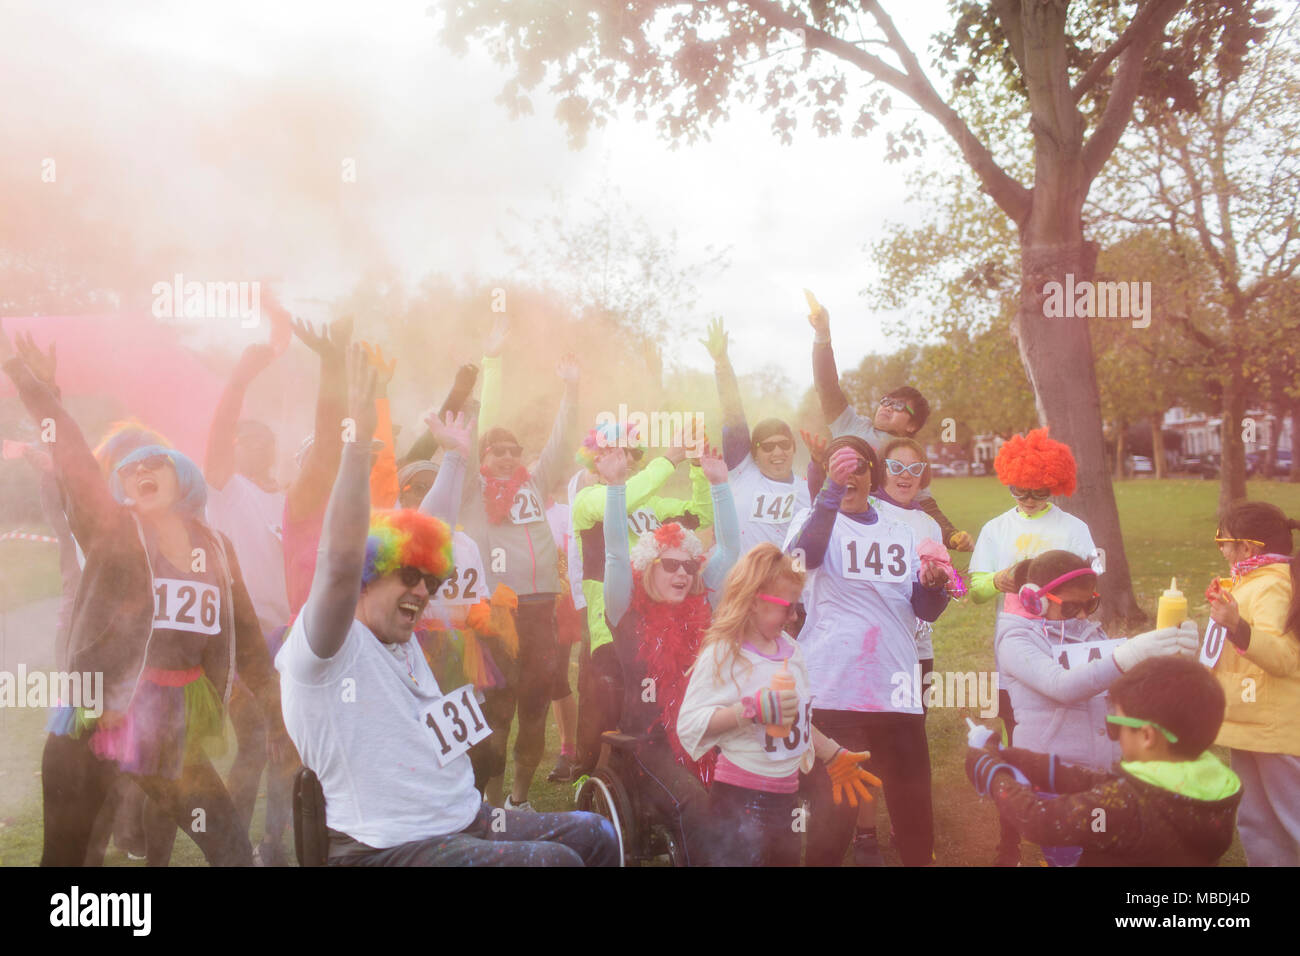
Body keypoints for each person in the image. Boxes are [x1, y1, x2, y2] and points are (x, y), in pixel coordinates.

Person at [275, 346, 616, 866]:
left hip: (464, 816)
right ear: (364, 581)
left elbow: (431, 532)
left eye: (429, 582)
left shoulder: (403, 637)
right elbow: (340, 559)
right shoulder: (327, 649)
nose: (421, 590)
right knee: (556, 864)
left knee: (594, 833)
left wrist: (456, 457)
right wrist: (357, 443)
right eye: (406, 577)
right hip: (387, 845)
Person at [2, 323, 288, 868]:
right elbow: (73, 459)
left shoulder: (217, 549)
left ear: (184, 479)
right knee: (64, 863)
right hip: (96, 719)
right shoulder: (113, 534)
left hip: (168, 732)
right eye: (131, 470)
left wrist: (276, 720)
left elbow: (248, 641)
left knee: (230, 848)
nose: (141, 471)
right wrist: (36, 388)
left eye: (155, 463)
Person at [421, 346, 580, 811]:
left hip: (541, 614)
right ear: (483, 457)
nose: (509, 458)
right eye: (498, 451)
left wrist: (571, 388)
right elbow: (464, 447)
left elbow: (562, 439)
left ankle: (519, 801)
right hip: (495, 617)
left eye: (515, 451)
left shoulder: (535, 481)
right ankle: (488, 805)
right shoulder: (471, 489)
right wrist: (484, 377)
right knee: (496, 714)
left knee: (533, 711)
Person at [785, 437, 950, 866]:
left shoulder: (900, 531)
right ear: (824, 474)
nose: (850, 475)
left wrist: (934, 585)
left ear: (873, 474)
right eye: (838, 466)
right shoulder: (812, 519)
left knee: (915, 814)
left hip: (897, 689)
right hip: (835, 692)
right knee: (833, 822)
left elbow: (925, 610)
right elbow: (799, 562)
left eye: (860, 467)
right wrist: (829, 494)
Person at [677, 543, 879, 866]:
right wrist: (749, 712)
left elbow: (795, 717)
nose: (794, 616)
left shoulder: (791, 650)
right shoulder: (724, 653)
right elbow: (689, 723)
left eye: (797, 607)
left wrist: (832, 754)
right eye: (787, 607)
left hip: (786, 801)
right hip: (738, 804)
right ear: (755, 602)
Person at [598, 438, 738, 865]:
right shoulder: (624, 607)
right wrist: (617, 486)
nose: (680, 573)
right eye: (669, 564)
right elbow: (615, 553)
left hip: (708, 730)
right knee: (696, 803)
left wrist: (719, 484)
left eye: (688, 565)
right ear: (648, 568)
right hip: (649, 743)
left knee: (749, 791)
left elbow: (730, 550)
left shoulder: (703, 605)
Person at [965, 656, 1243, 866]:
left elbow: (1041, 821)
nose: (1113, 733)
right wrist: (1016, 757)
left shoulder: (1125, 805)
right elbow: (1099, 783)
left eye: (1115, 724)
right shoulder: (1205, 788)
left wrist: (992, 773)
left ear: (1147, 736)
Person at [968, 426, 1098, 865]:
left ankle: (1072, 836)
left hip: (1066, 647)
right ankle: (1012, 839)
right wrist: (995, 580)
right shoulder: (995, 528)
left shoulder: (1074, 528)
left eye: (1038, 492)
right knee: (1016, 741)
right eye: (1017, 491)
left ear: (1055, 486)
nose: (1027, 500)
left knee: (1067, 739)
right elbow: (976, 589)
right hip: (1017, 650)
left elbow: (1090, 588)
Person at [571, 421, 715, 772]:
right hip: (610, 624)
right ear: (595, 459)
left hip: (653, 626)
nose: (627, 459)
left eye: (633, 453)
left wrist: (697, 467)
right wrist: (668, 460)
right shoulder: (589, 499)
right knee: (603, 707)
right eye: (615, 452)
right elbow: (622, 498)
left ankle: (648, 781)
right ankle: (587, 782)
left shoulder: (653, 503)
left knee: (646, 710)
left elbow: (703, 513)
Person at [202, 339, 298, 865]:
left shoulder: (286, 499)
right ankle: (236, 844)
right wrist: (240, 378)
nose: (255, 445)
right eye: (245, 438)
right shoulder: (227, 491)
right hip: (243, 641)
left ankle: (273, 843)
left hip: (291, 640)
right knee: (255, 745)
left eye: (265, 440)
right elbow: (217, 434)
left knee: (286, 747)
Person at [805, 296, 971, 552]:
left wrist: (950, 535)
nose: (886, 407)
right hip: (842, 527)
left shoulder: (910, 457)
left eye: (898, 406)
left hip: (886, 540)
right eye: (885, 401)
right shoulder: (851, 425)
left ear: (913, 426)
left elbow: (925, 504)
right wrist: (822, 336)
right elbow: (827, 386)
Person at [1205, 500, 1300, 866]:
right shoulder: (1252, 583)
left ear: (1248, 547)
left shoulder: (1273, 587)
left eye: (1223, 541)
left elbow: (1284, 658)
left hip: (1276, 730)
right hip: (1251, 725)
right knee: (1258, 823)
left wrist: (1237, 626)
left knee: (1291, 819)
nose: (1222, 549)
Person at [700, 317, 810, 554]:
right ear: (755, 453)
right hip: (735, 584)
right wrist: (722, 365)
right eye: (768, 447)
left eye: (783, 444)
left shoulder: (809, 490)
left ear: (793, 448)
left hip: (783, 588)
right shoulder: (743, 471)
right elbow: (734, 416)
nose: (778, 452)